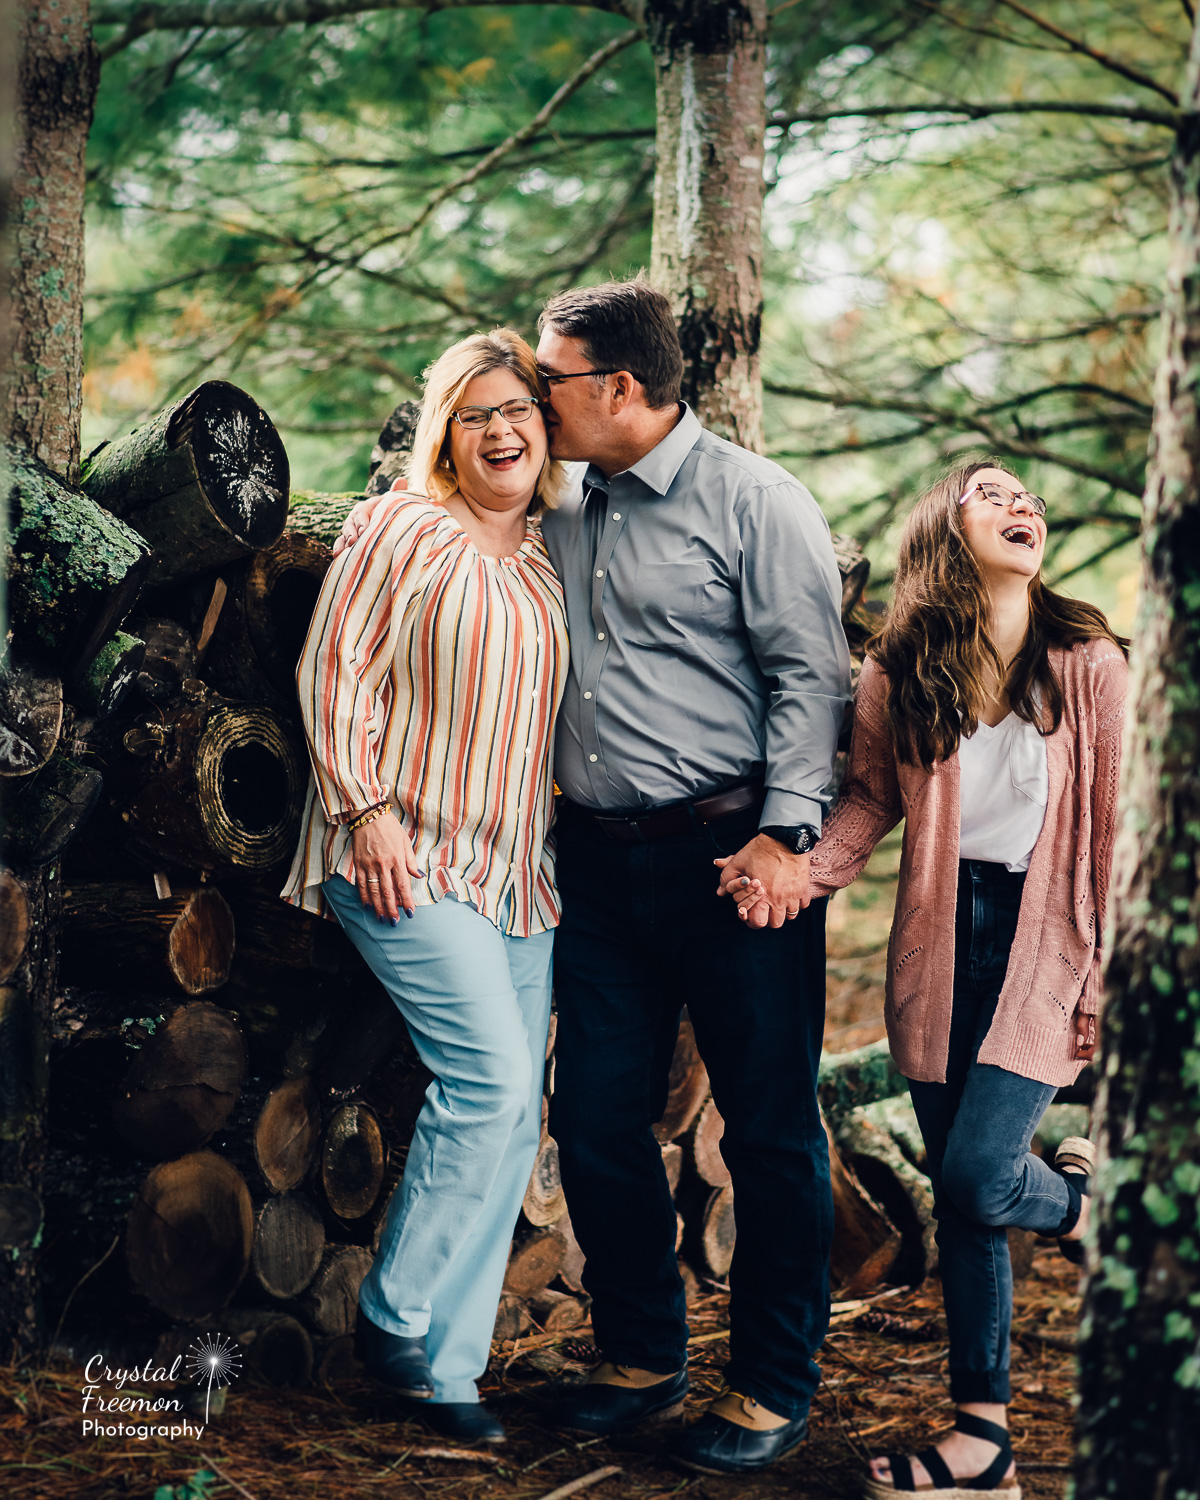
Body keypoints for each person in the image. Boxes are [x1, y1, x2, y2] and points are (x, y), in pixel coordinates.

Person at [339, 278, 853, 1475]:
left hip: (737, 861)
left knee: (772, 1134)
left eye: (550, 379)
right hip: (595, 871)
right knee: (596, 1118)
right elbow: (441, 541)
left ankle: (775, 1385)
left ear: (617, 388)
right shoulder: (562, 501)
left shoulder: (756, 501)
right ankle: (638, 1355)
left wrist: (789, 838)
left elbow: (812, 683)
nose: (533, 398)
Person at [722, 459, 1127, 1498]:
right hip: (943, 947)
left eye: (1028, 496)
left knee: (980, 1174)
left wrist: (1112, 976)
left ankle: (1095, 1208)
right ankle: (983, 1440)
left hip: (1054, 938)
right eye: (993, 494)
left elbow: (1126, 831)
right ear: (944, 531)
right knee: (970, 1211)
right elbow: (865, 802)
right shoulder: (900, 672)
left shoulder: (1086, 661)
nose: (1022, 504)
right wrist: (796, 870)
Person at [283, 328, 569, 1445]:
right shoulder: (398, 525)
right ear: (444, 433)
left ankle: (444, 1376)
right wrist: (366, 808)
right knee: (490, 1081)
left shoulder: (553, 554)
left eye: (520, 412)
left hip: (516, 874)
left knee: (514, 1117)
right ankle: (395, 1318)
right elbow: (333, 665)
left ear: (546, 431)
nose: (501, 429)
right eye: (475, 412)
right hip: (397, 851)